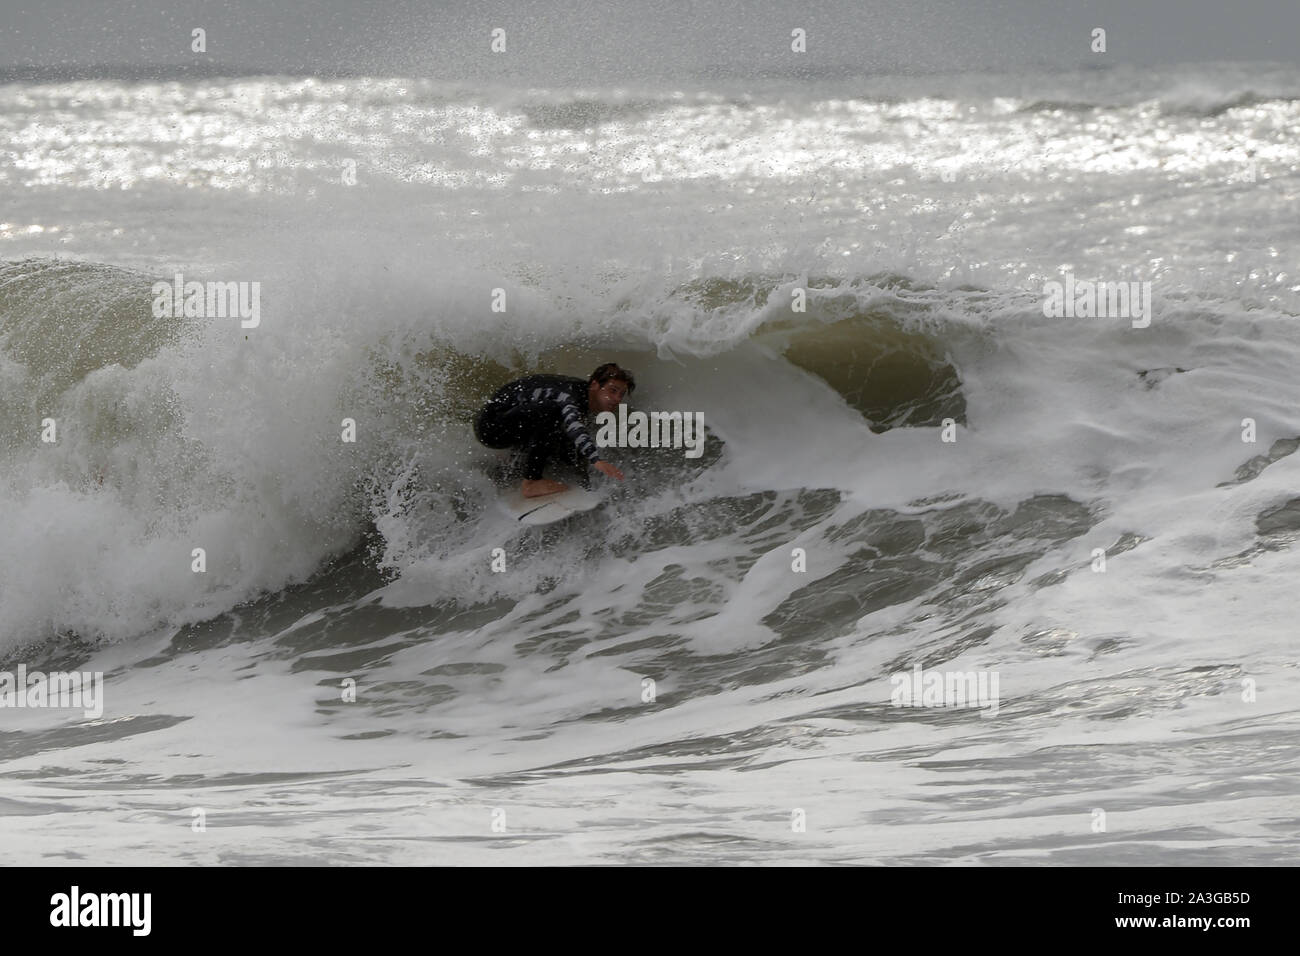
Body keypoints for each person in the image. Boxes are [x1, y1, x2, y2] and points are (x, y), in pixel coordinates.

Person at [474, 363, 633, 498]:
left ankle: (515, 462)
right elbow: (574, 425)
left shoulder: (584, 395)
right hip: (490, 428)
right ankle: (531, 482)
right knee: (552, 412)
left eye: (621, 394)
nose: (617, 399)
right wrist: (596, 460)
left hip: (510, 421)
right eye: (612, 391)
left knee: (562, 439)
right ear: (594, 385)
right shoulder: (571, 397)